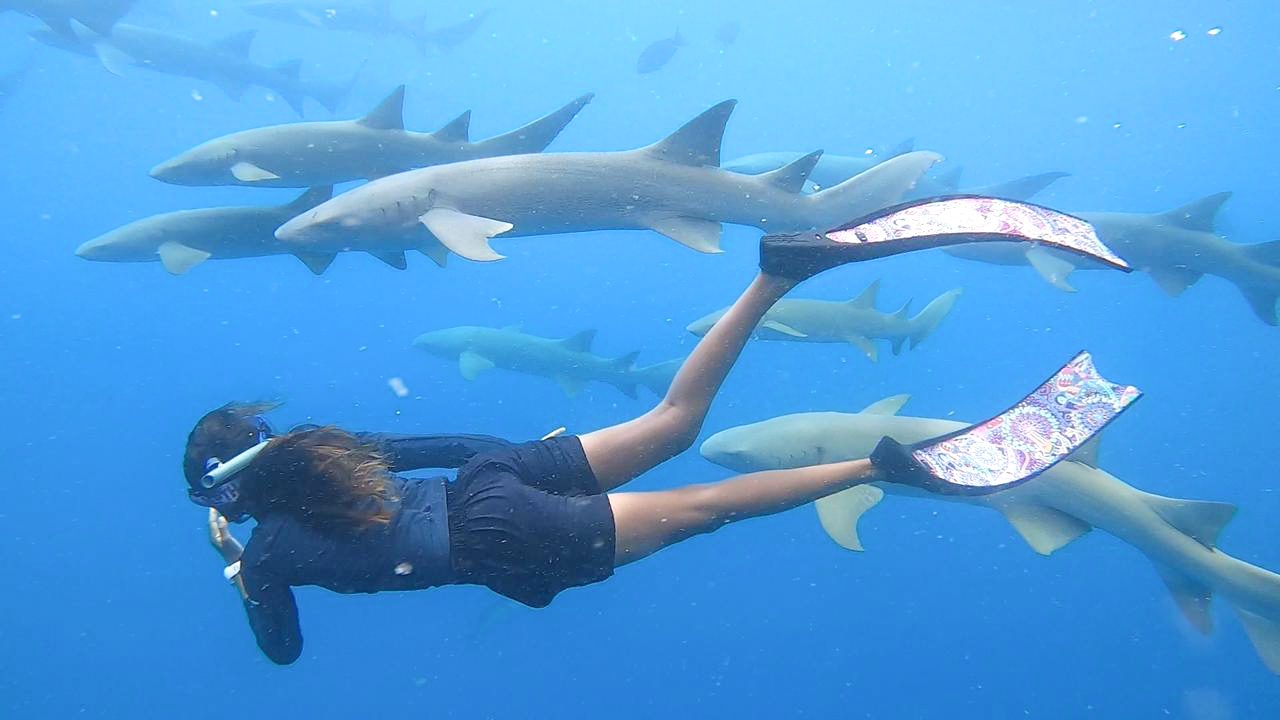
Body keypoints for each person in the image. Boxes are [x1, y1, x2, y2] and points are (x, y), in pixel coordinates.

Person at [184, 197, 1138, 664]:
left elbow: (282, 651)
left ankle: (890, 465)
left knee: (715, 504)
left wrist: (241, 575)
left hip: (491, 536)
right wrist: (526, 467)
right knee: (676, 423)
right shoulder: (330, 453)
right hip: (496, 477)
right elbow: (452, 442)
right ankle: (779, 274)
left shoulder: (269, 553)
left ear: (228, 497)